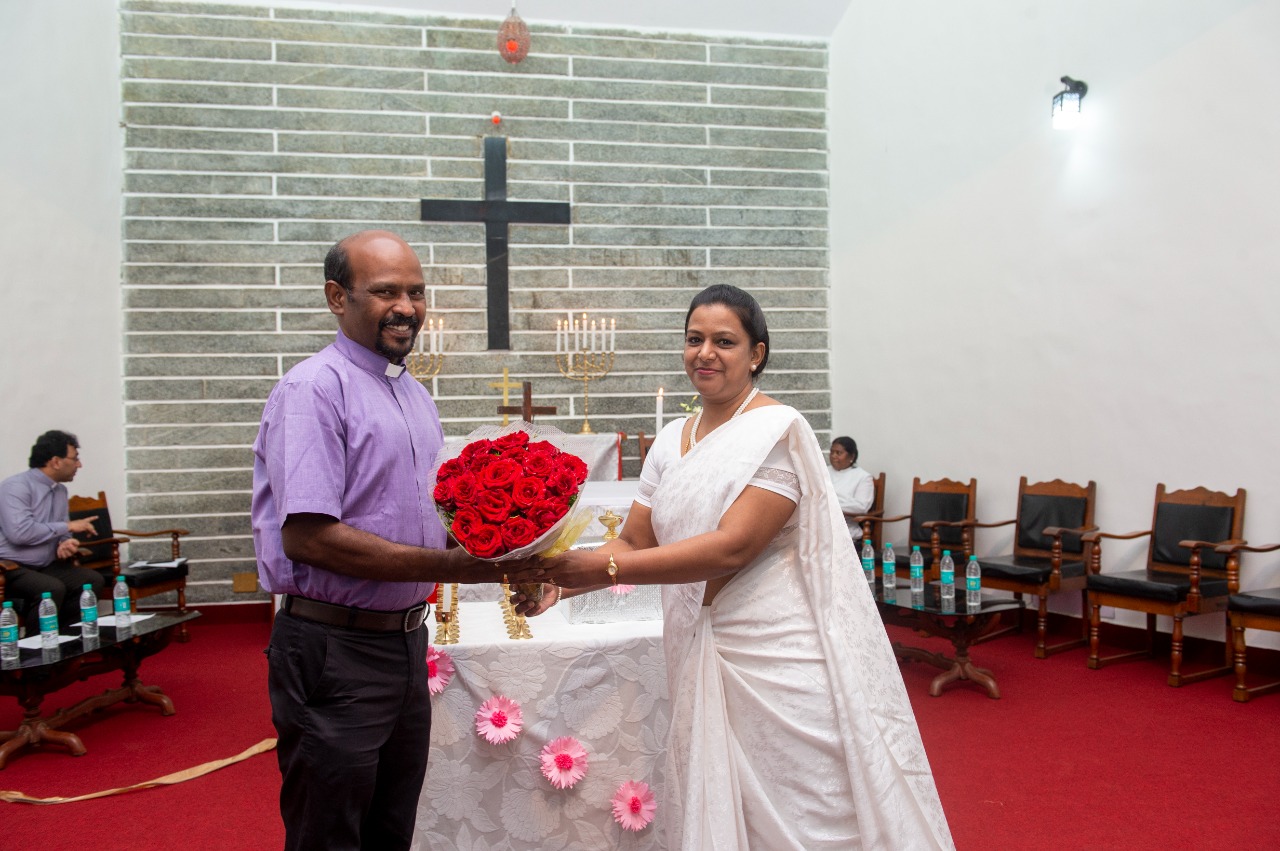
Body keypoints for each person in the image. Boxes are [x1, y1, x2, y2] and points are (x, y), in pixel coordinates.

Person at [517, 285, 954, 849]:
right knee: (725, 808)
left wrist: (599, 573)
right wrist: (559, 581)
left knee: (808, 811)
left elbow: (733, 547)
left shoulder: (776, 431)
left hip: (777, 652)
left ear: (757, 354)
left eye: (724, 341)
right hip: (699, 640)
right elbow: (633, 539)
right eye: (694, 339)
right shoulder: (673, 439)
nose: (706, 353)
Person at [252, 230, 521, 851]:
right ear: (336, 298)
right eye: (385, 292)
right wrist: (465, 569)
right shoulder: (314, 390)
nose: (406, 306)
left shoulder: (413, 395)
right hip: (332, 647)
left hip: (403, 643)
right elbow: (309, 538)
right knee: (330, 832)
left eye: (416, 292)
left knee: (390, 828)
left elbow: (429, 513)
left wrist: (511, 555)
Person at [0, 430, 105, 634]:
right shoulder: (15, 487)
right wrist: (68, 527)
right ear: (56, 461)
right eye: (75, 459)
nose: (79, 465)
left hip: (44, 565)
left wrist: (65, 542)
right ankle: (37, 657)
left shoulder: (60, 490)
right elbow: (20, 533)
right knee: (51, 589)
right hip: (10, 568)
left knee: (92, 581)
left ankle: (67, 643)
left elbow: (61, 528)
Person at [829, 435, 875, 541]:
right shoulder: (823, 472)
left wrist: (831, 506)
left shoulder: (863, 477)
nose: (833, 456)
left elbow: (861, 506)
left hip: (846, 528)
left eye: (838, 453)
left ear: (852, 456)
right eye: (832, 452)